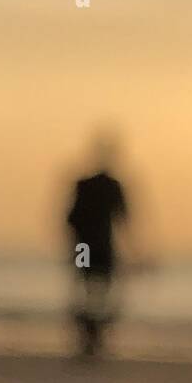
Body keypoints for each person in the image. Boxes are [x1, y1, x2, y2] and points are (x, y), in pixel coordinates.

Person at [65, 133, 131, 358]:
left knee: (88, 294)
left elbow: (70, 219)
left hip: (87, 248)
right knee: (98, 295)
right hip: (100, 247)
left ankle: (91, 338)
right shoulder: (110, 186)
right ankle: (92, 339)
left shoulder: (86, 185)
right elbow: (125, 219)